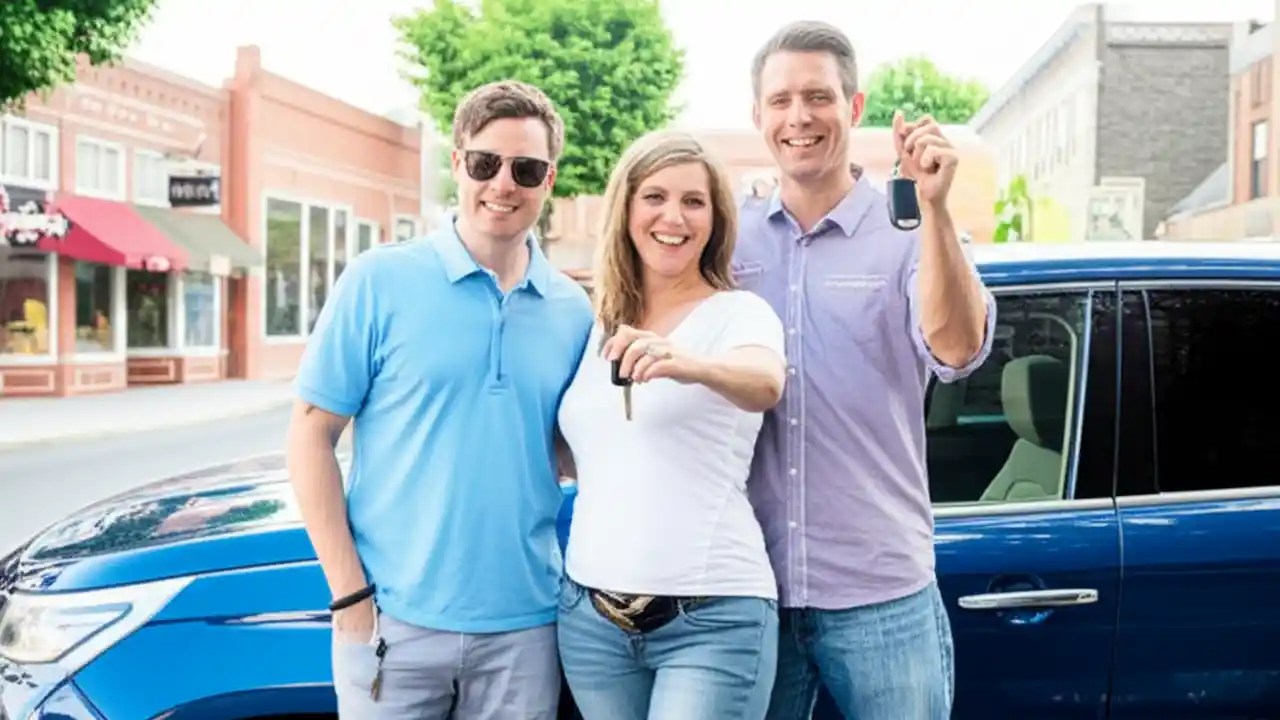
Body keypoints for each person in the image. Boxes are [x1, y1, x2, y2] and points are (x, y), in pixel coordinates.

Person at [286, 80, 593, 719]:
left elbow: (572, 448)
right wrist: (349, 598)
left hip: (526, 629)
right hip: (391, 624)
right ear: (458, 163)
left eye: (526, 169)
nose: (503, 184)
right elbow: (311, 436)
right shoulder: (380, 280)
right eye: (485, 163)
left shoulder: (572, 310)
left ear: (549, 179)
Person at [736, 21, 997, 720]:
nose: (799, 117)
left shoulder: (911, 230)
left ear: (853, 109)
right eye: (781, 100)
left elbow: (956, 347)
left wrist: (937, 210)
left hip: (881, 593)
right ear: (757, 115)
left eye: (818, 96)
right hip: (751, 588)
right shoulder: (731, 240)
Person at [555, 129, 788, 719]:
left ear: (715, 219)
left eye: (694, 201)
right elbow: (586, 453)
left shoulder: (738, 313)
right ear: (627, 209)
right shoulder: (596, 326)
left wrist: (687, 363)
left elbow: (765, 382)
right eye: (654, 197)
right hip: (590, 621)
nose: (673, 217)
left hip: (710, 618)